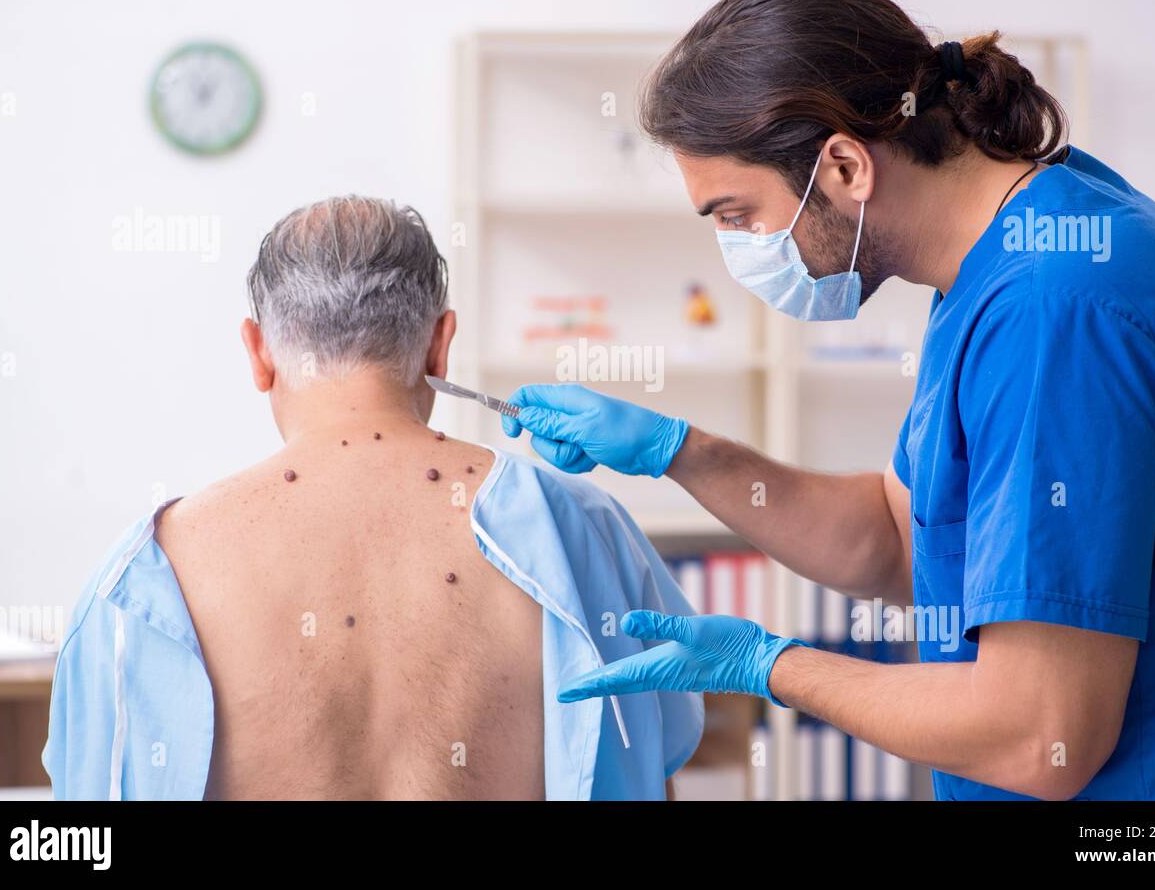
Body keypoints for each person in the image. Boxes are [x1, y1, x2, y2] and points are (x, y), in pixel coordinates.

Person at [504, 0, 1155, 799]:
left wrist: (768, 665)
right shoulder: (1002, 250)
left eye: (738, 215)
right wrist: (677, 450)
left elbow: (1038, 736)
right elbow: (901, 541)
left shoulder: (1052, 310)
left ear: (844, 166)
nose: (740, 249)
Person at [42, 196, 702, 800]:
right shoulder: (583, 530)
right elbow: (654, 758)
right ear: (441, 345)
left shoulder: (145, 575)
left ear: (258, 352)